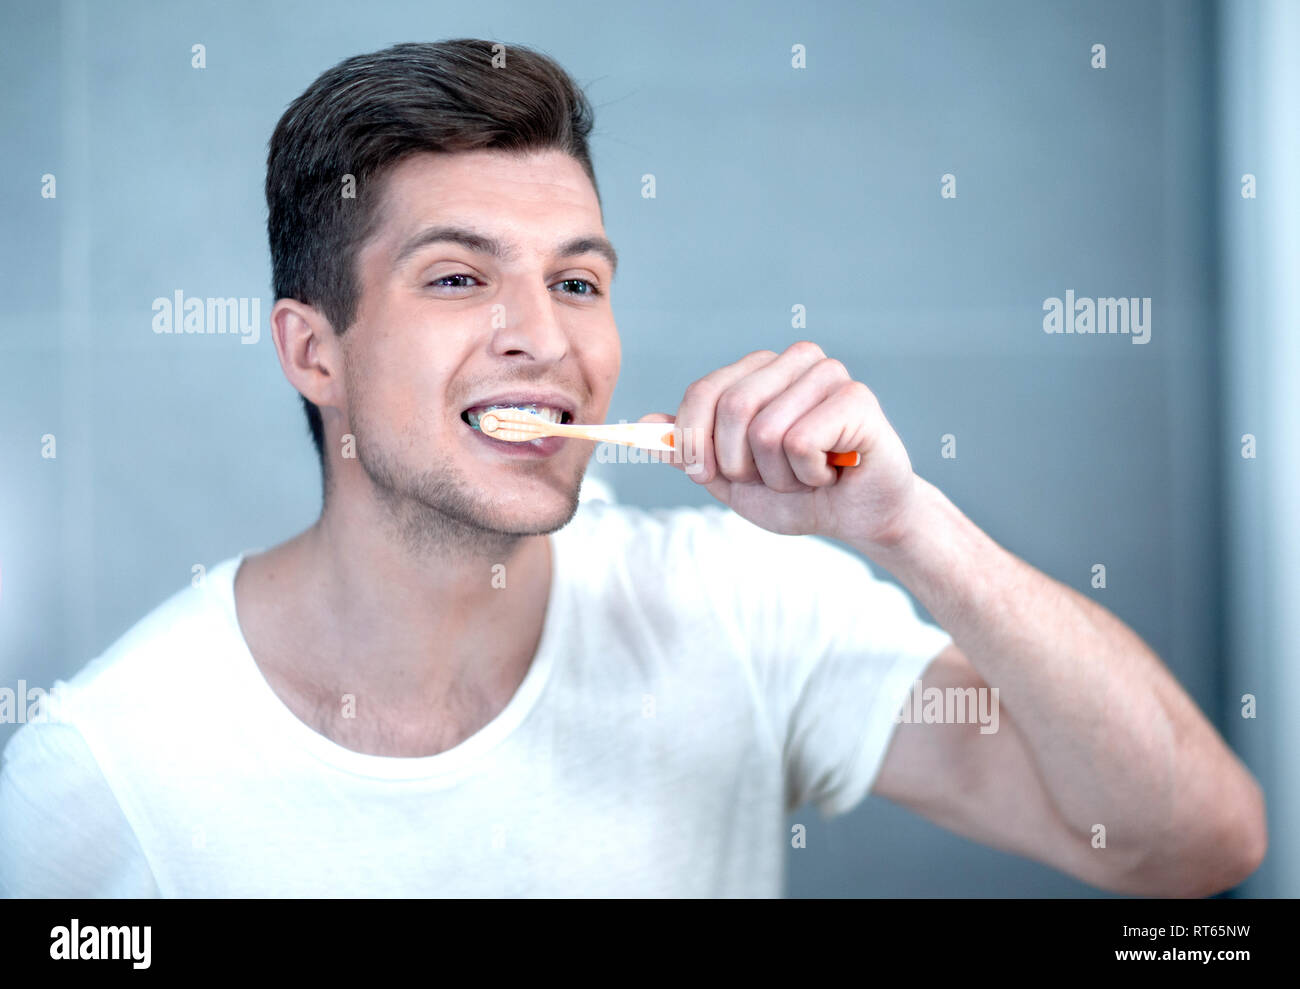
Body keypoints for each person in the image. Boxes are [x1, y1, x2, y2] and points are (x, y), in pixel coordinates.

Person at [0, 39, 1266, 898]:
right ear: (313, 352)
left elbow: (1194, 842)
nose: (543, 337)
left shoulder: (739, 604)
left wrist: (913, 527)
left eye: (577, 281)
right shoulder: (102, 770)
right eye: (456, 277)